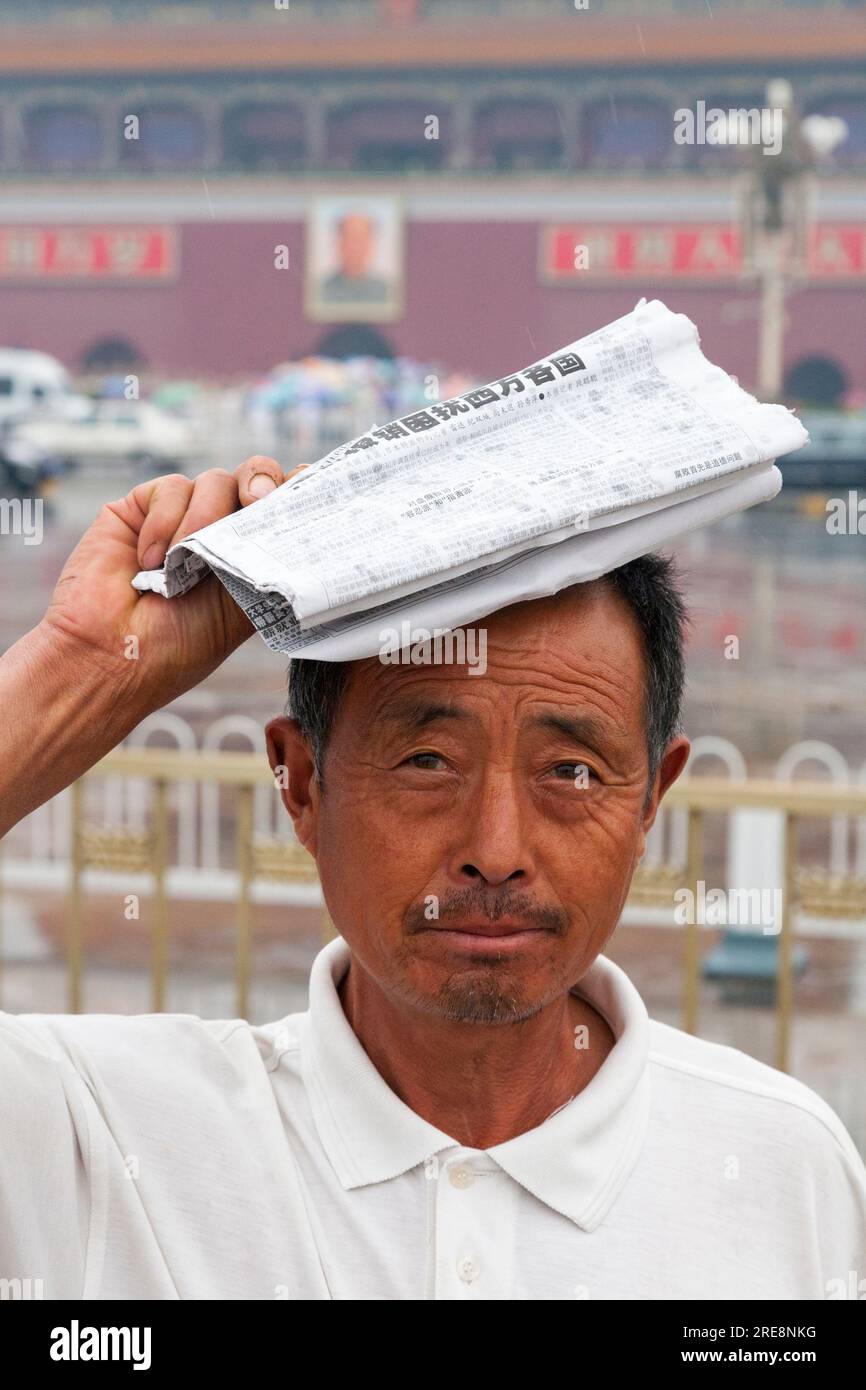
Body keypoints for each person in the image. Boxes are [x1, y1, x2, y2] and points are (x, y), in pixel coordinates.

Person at [0, 457, 864, 1301]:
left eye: (570, 771)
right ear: (301, 784)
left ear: (651, 802)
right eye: (426, 760)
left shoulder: (785, 1168)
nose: (496, 850)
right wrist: (86, 664)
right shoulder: (101, 1141)